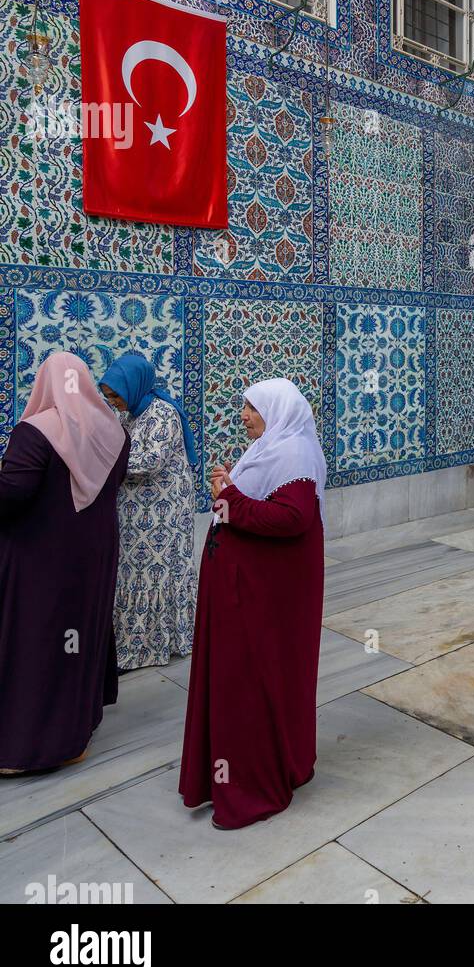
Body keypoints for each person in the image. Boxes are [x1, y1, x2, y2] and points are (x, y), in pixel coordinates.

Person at [179, 378, 325, 829]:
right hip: (241, 589)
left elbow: (292, 518)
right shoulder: (264, 450)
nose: (242, 415)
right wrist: (226, 493)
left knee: (250, 682)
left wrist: (230, 497)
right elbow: (235, 511)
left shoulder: (293, 454)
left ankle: (252, 786)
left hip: (262, 597)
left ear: (276, 410)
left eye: (250, 407)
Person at [0, 352, 129, 775]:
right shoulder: (113, 431)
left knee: (35, 641)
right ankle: (75, 732)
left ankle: (29, 746)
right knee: (75, 636)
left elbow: (12, 494)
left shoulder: (36, 432)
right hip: (94, 554)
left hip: (43, 558)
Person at [99, 353, 198, 671]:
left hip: (164, 513)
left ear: (134, 386)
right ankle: (132, 639)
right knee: (133, 573)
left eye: (116, 395)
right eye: (108, 396)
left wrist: (96, 460)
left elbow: (146, 461)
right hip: (135, 512)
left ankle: (158, 642)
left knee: (157, 572)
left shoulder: (163, 413)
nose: (113, 402)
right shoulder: (129, 414)